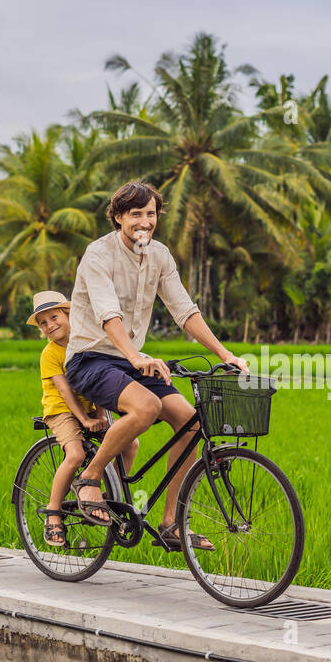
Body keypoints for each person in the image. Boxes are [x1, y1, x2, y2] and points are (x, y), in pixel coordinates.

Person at [64, 180, 248, 551]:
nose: (144, 222)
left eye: (151, 214)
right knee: (146, 407)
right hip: (90, 358)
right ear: (118, 218)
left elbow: (184, 309)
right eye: (136, 215)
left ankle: (171, 523)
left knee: (190, 419)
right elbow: (107, 314)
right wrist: (135, 356)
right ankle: (91, 476)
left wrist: (225, 355)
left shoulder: (160, 256)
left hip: (131, 361)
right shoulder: (98, 255)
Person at [30, 290, 138, 546]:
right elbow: (65, 391)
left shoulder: (87, 342)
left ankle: (102, 495)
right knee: (76, 454)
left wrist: (100, 414)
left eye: (54, 317)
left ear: (69, 315)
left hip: (90, 407)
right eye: (43, 323)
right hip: (61, 410)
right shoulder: (50, 354)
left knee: (130, 444)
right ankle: (53, 512)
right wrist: (86, 420)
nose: (49, 325)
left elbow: (98, 381)